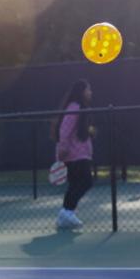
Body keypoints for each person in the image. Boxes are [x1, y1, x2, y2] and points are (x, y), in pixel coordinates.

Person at [53, 80, 95, 229]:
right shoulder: (74, 107)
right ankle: (66, 212)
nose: (90, 92)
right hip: (73, 156)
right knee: (86, 182)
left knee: (75, 184)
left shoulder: (80, 108)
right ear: (82, 92)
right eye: (88, 90)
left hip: (80, 154)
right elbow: (65, 130)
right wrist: (62, 150)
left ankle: (66, 214)